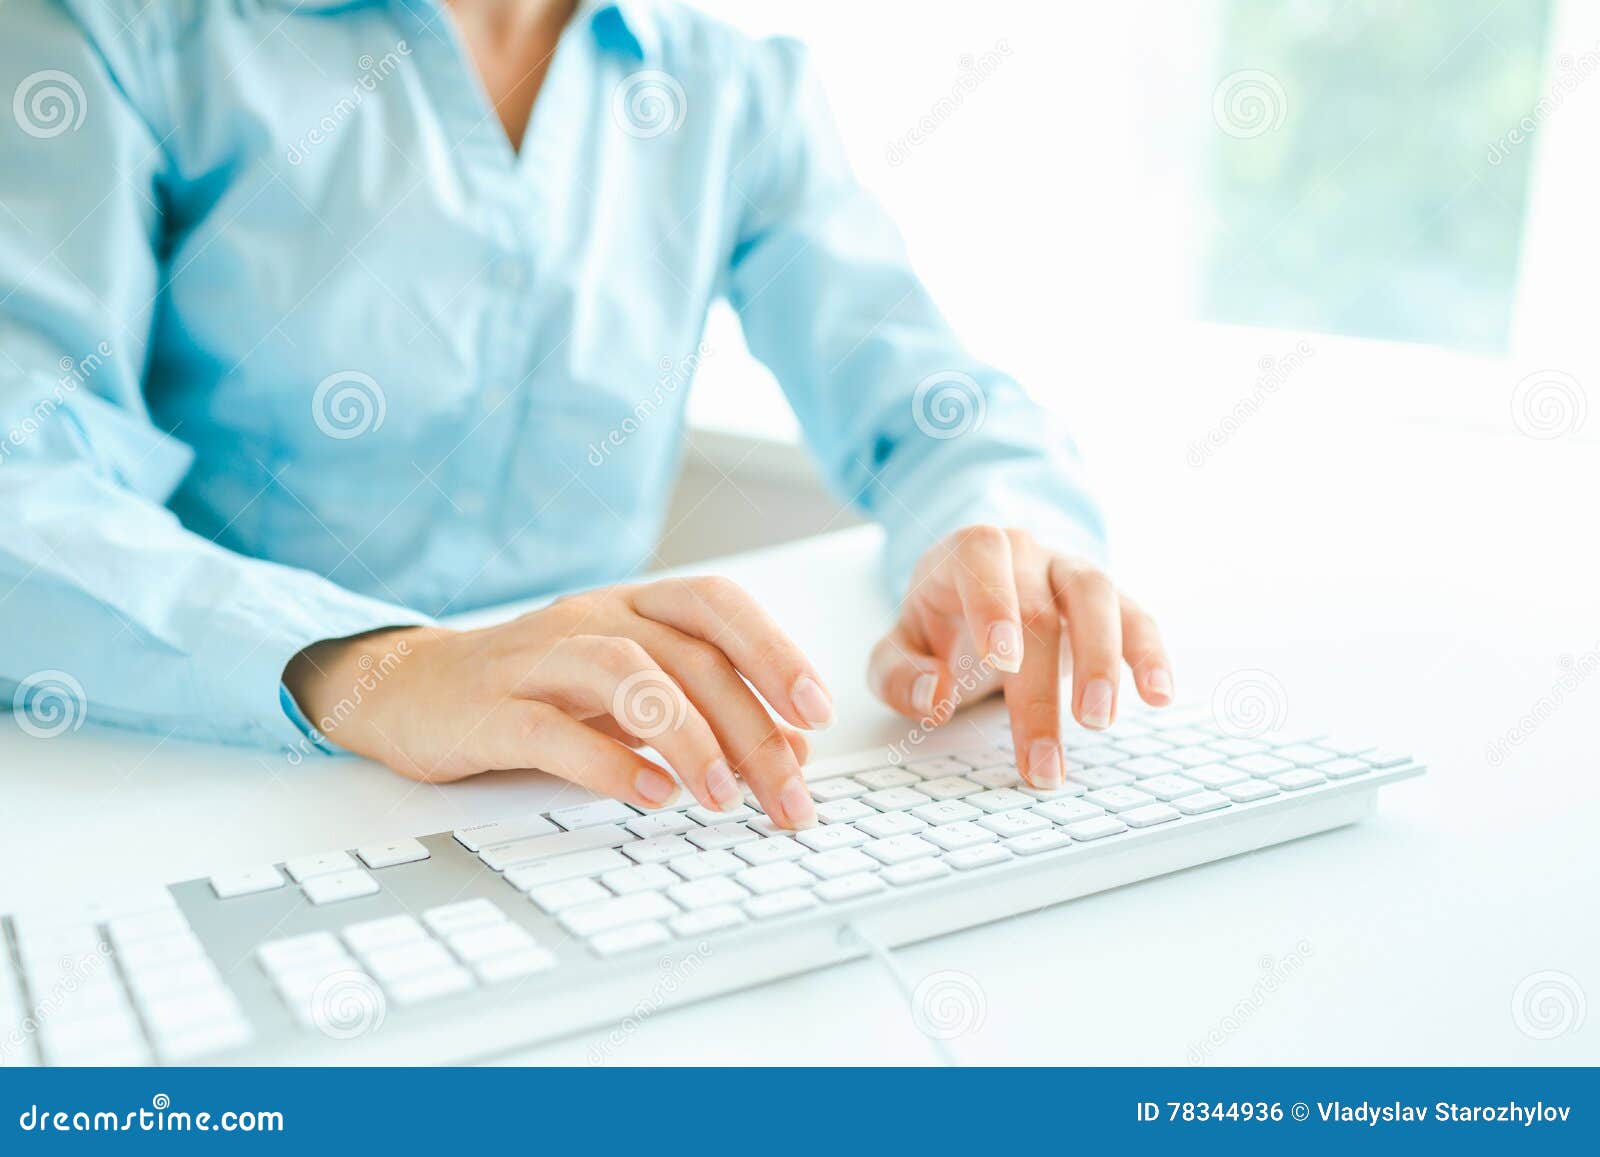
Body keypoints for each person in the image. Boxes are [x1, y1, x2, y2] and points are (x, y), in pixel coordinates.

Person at [0, 0, 1172, 829]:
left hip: (590, 796)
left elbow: (931, 404)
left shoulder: (730, 87)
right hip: (205, 781)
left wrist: (997, 547)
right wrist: (382, 668)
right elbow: (19, 484)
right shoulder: (116, 31)